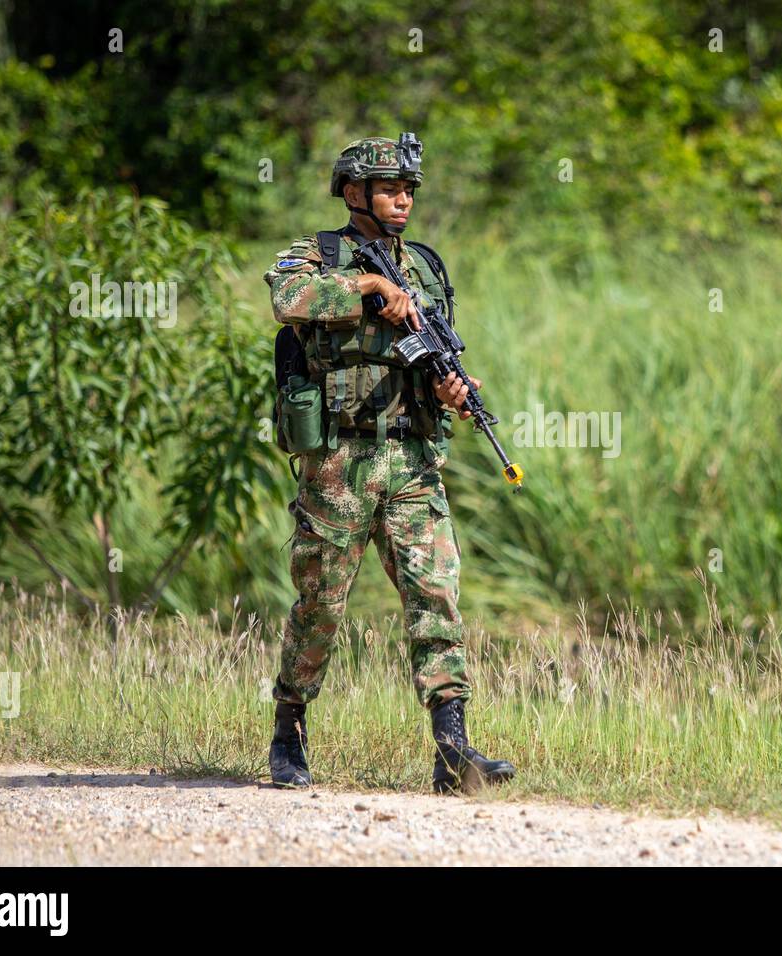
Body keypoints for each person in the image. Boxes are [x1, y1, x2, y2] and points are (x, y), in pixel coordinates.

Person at [262, 132, 515, 794]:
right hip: (339, 458)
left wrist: (451, 390)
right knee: (321, 604)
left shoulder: (426, 268)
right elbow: (287, 301)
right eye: (390, 188)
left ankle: (452, 750)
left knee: (436, 595)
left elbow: (425, 361)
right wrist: (367, 286)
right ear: (354, 194)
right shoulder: (318, 255)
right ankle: (288, 729)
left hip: (410, 455)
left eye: (410, 190)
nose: (404, 199)